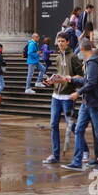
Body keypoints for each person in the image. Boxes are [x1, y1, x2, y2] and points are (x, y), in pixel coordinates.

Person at [63, 39, 98, 172]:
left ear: (82, 49)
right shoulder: (90, 62)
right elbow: (87, 80)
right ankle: (77, 161)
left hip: (94, 103)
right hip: (88, 102)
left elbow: (91, 83)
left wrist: (77, 93)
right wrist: (72, 79)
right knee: (79, 130)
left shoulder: (92, 63)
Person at [41, 33, 83, 164]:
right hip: (56, 96)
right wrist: (51, 81)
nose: (60, 43)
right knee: (53, 125)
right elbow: (59, 75)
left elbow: (81, 76)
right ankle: (55, 154)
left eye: (62, 41)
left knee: (71, 125)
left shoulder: (73, 57)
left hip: (67, 96)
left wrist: (70, 79)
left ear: (68, 42)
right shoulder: (58, 58)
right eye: (58, 41)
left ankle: (84, 150)